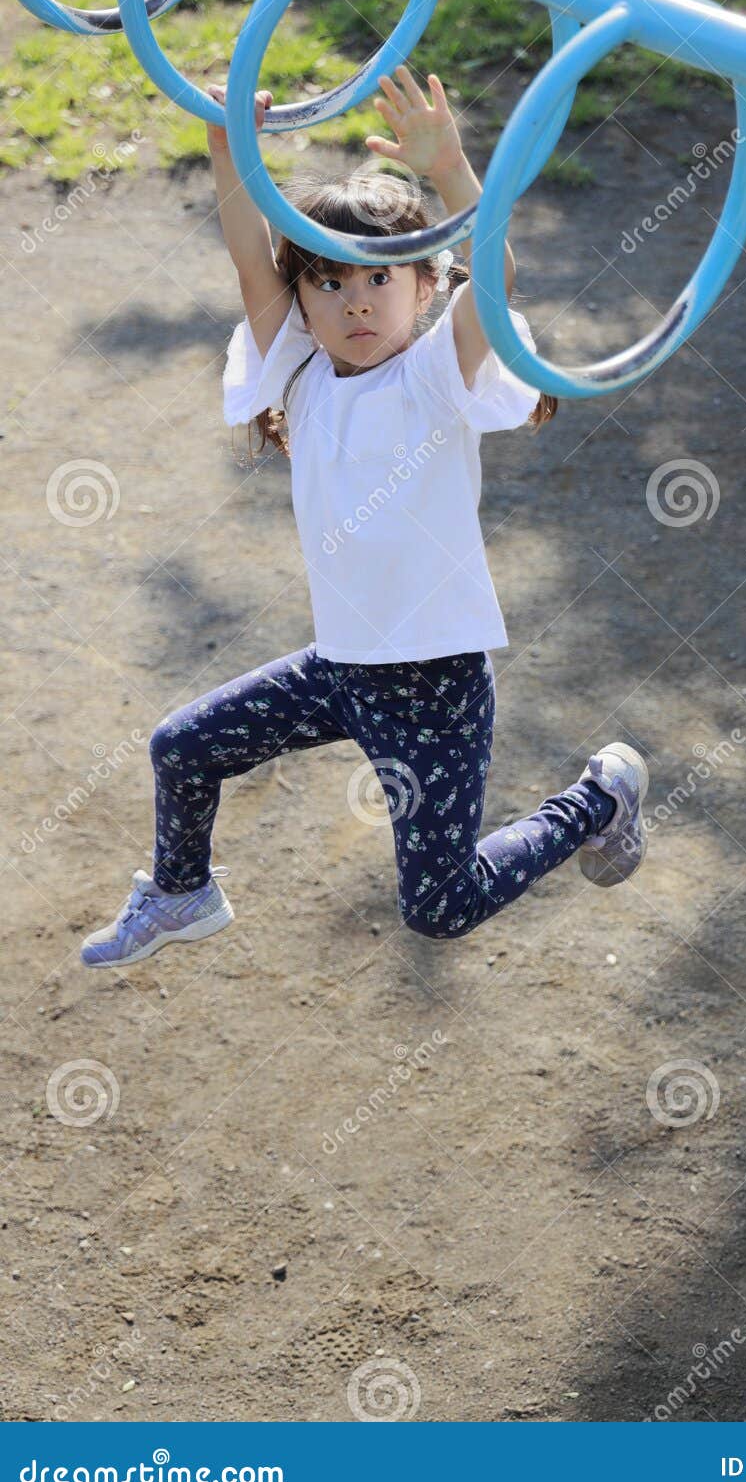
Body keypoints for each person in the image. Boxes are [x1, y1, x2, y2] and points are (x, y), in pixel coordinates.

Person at [81, 66, 650, 968]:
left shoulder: (431, 377)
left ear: (426, 287)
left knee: (440, 907)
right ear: (301, 300)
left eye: (380, 280)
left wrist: (453, 173)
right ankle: (182, 891)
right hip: (341, 666)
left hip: (432, 687)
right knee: (181, 749)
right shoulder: (301, 377)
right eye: (329, 283)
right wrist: (230, 144)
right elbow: (247, 254)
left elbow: (493, 274)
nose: (355, 301)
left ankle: (597, 799)